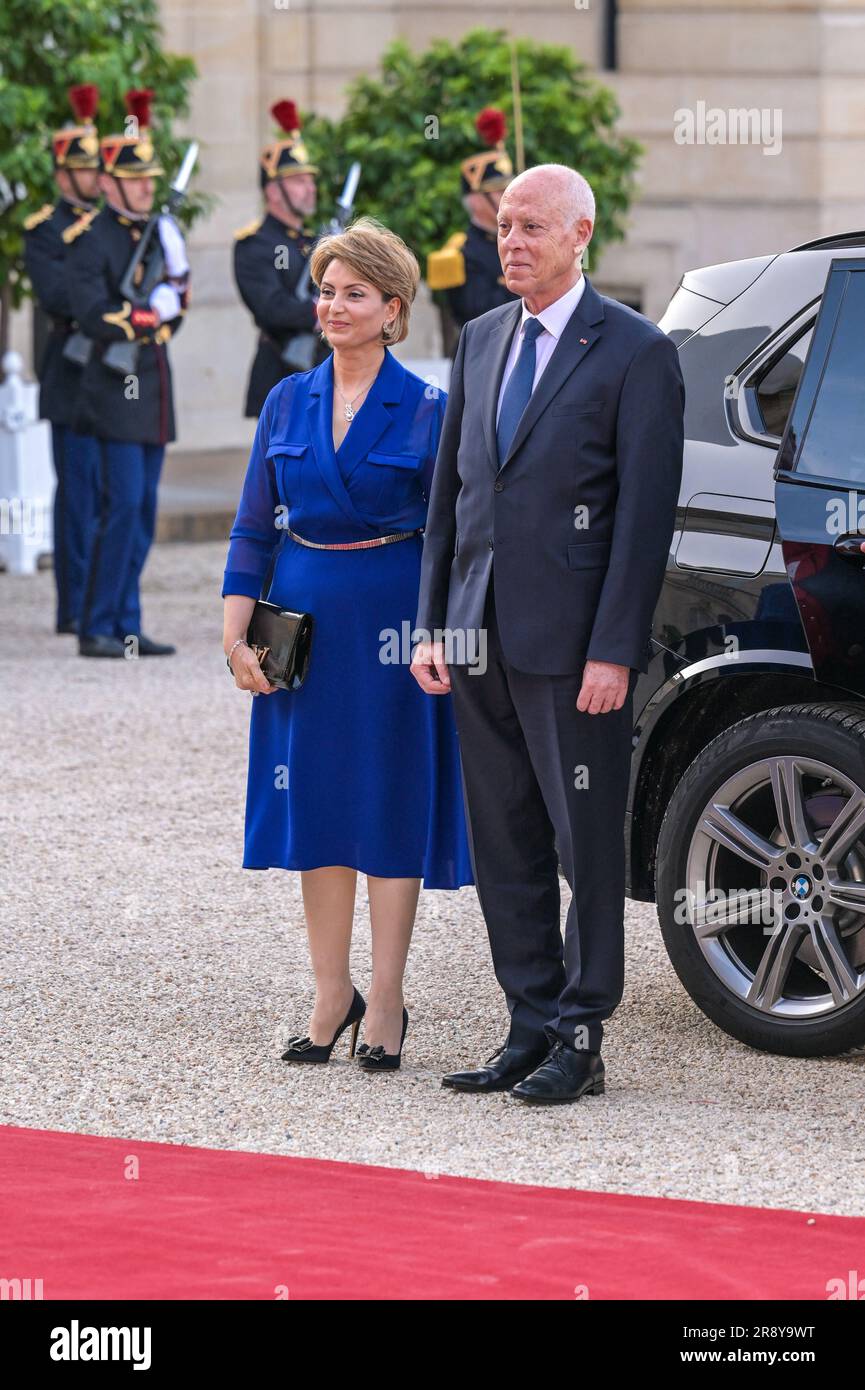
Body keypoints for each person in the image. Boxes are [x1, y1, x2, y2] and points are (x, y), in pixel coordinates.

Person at [412, 164, 685, 1104]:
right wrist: (432, 626)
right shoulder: (481, 338)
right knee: (505, 840)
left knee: (583, 844)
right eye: (503, 228)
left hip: (574, 652)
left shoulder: (635, 352)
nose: (512, 242)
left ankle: (581, 1032)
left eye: (532, 227)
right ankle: (526, 1023)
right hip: (478, 637)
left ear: (581, 234)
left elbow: (644, 520)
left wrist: (614, 649)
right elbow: (451, 499)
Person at [222, 216, 473, 1072]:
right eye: (326, 290)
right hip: (300, 627)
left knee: (388, 801)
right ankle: (332, 993)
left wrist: (440, 632)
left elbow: (450, 535)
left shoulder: (431, 407)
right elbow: (253, 524)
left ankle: (389, 997)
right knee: (318, 806)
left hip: (392, 627)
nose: (333, 305)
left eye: (352, 293)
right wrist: (233, 624)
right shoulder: (288, 399)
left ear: (392, 308)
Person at [66, 89, 188, 659]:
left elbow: (175, 313)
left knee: (141, 512)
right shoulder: (93, 237)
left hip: (152, 387)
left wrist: (173, 297)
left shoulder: (158, 233)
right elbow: (92, 312)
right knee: (119, 507)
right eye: (135, 180)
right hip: (113, 388)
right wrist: (147, 313)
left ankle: (128, 623)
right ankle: (96, 624)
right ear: (109, 182)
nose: (146, 187)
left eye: (149, 179)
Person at [23, 84, 102, 635]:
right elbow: (57, 296)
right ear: (61, 172)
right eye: (83, 170)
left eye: (98, 168)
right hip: (71, 370)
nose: (94, 178)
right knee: (76, 491)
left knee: (111, 491)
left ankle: (104, 599)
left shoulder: (111, 228)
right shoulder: (45, 230)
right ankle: (73, 605)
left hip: (112, 369)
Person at [233, 100, 330, 419]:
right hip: (281, 371)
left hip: (325, 369)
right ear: (273, 191)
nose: (311, 189)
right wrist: (321, 310)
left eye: (311, 180)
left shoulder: (314, 240)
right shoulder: (254, 244)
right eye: (299, 181)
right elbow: (271, 307)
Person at [426, 107, 518, 357]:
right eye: (500, 191)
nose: (510, 198)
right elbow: (479, 314)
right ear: (476, 199)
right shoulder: (461, 252)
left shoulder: (521, 241)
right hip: (482, 359)